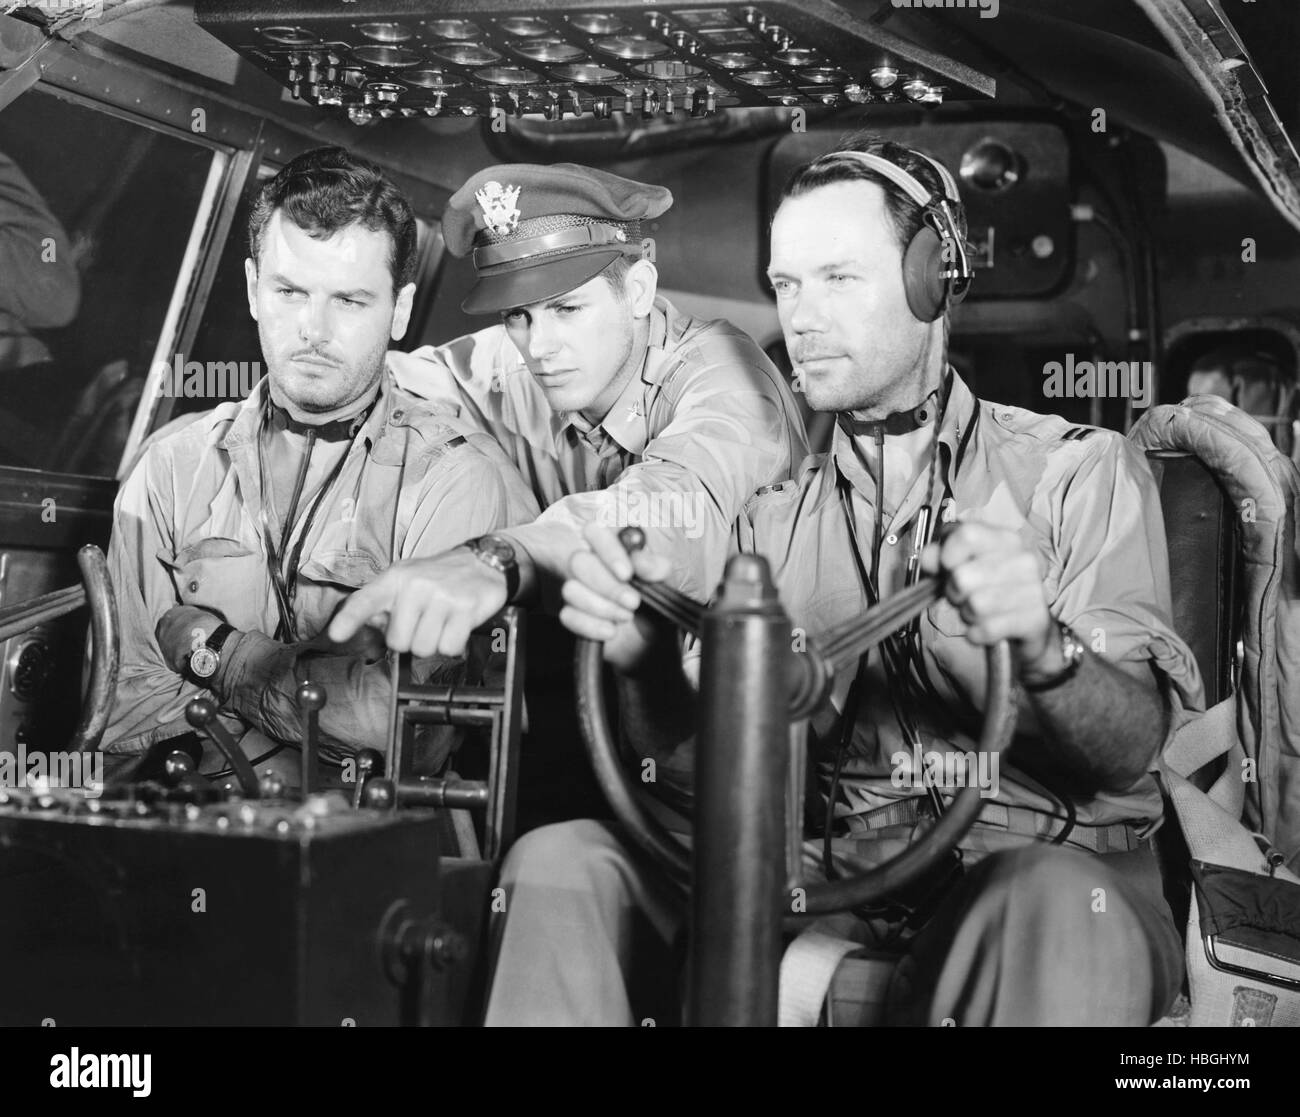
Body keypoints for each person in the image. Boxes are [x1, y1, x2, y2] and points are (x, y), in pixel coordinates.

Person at [485, 137, 1206, 1026]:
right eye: (787, 286)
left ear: (932, 283)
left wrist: (1041, 648)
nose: (803, 318)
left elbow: (1129, 744)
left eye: (838, 280)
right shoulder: (772, 515)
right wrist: (643, 660)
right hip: (834, 875)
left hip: (1052, 867)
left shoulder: (1078, 475)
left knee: (1051, 899)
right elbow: (698, 783)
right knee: (562, 861)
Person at [100, 147, 538, 783]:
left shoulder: (454, 480)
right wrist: (288, 755)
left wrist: (216, 655)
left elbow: (402, 728)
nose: (313, 328)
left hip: (369, 846)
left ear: (402, 311)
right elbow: (126, 712)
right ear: (254, 290)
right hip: (195, 816)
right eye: (289, 291)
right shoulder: (169, 467)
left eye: (351, 301)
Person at [330, 162, 808, 659]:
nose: (539, 347)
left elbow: (666, 507)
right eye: (518, 314)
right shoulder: (518, 360)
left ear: (639, 290)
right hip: (590, 687)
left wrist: (498, 559)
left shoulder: (726, 374)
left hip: (746, 689)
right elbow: (378, 383)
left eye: (567, 309)